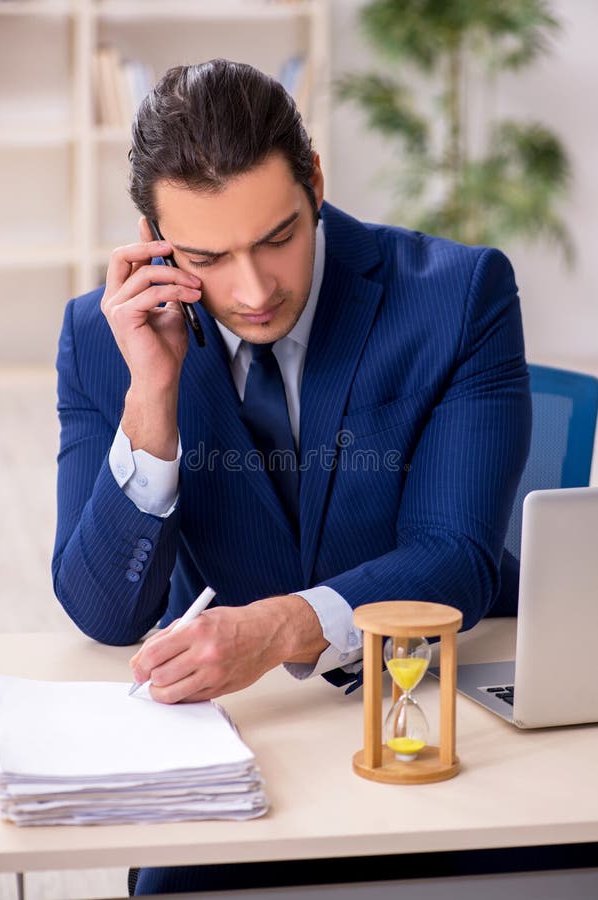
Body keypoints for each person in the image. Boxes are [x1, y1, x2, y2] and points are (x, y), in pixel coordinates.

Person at [52, 59, 531, 894]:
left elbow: (457, 554)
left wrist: (277, 629)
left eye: (278, 237)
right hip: (236, 748)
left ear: (313, 180)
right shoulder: (102, 337)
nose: (254, 289)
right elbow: (103, 612)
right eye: (209, 256)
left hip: (424, 716)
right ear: (155, 237)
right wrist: (152, 397)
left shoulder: (457, 296)